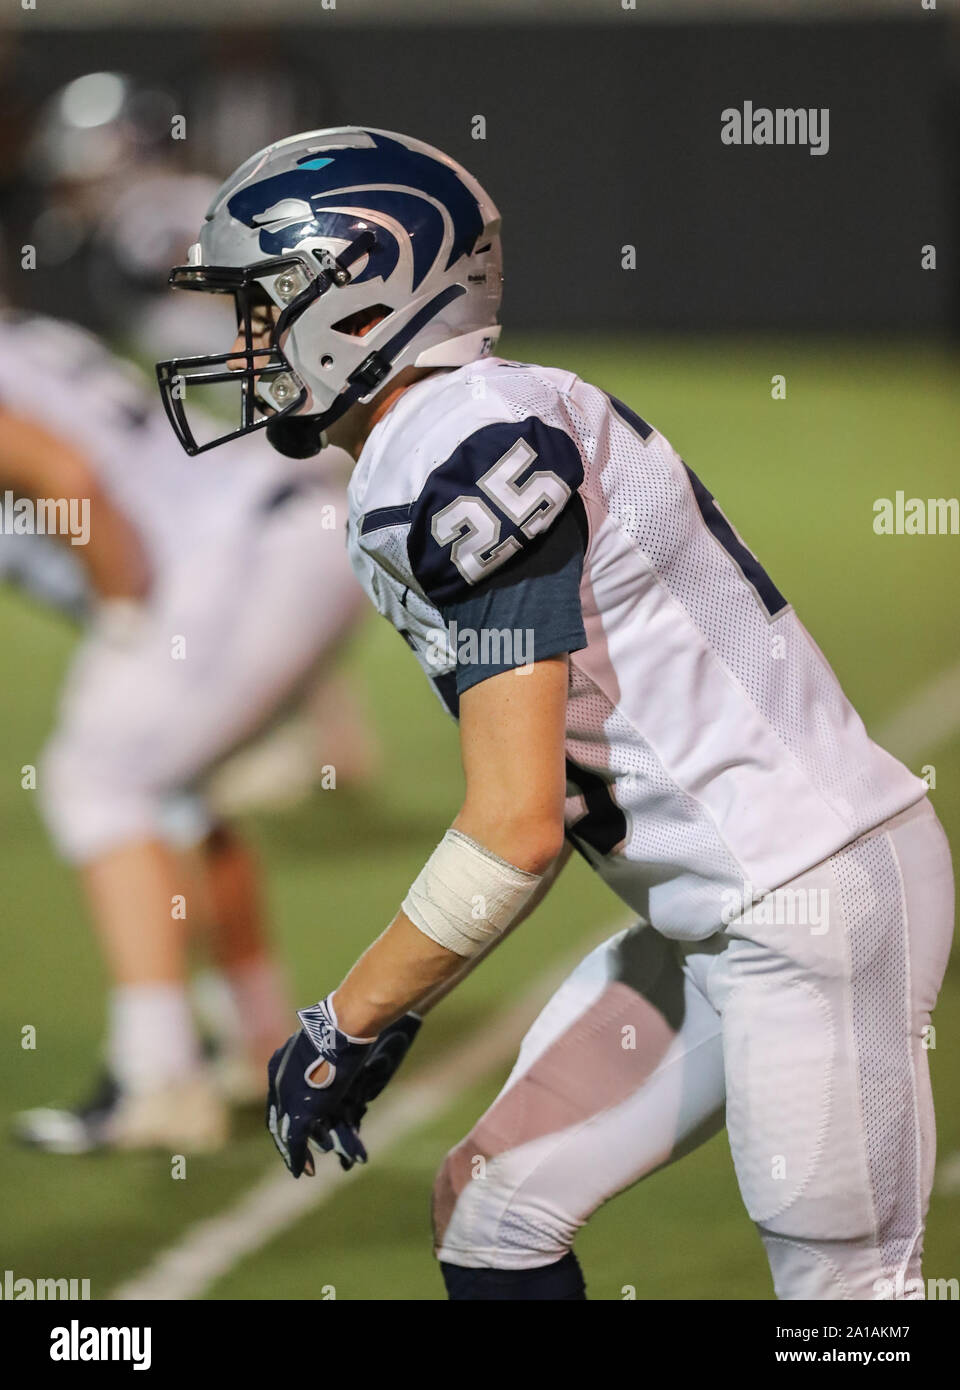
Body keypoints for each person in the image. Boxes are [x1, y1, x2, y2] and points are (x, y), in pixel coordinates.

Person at [157, 126, 954, 1299]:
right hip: (716, 909)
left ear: (368, 305)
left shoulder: (467, 446)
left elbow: (514, 824)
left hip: (808, 898)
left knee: (849, 1296)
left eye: (266, 307)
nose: (248, 344)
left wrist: (353, 1019)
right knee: (494, 1208)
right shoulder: (435, 438)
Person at [1, 309, 366, 1153]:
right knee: (172, 783)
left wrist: (129, 620)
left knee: (97, 780)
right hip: (287, 531)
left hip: (232, 560)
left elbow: (66, 477)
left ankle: (158, 1081)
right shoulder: (30, 338)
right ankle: (261, 1042)